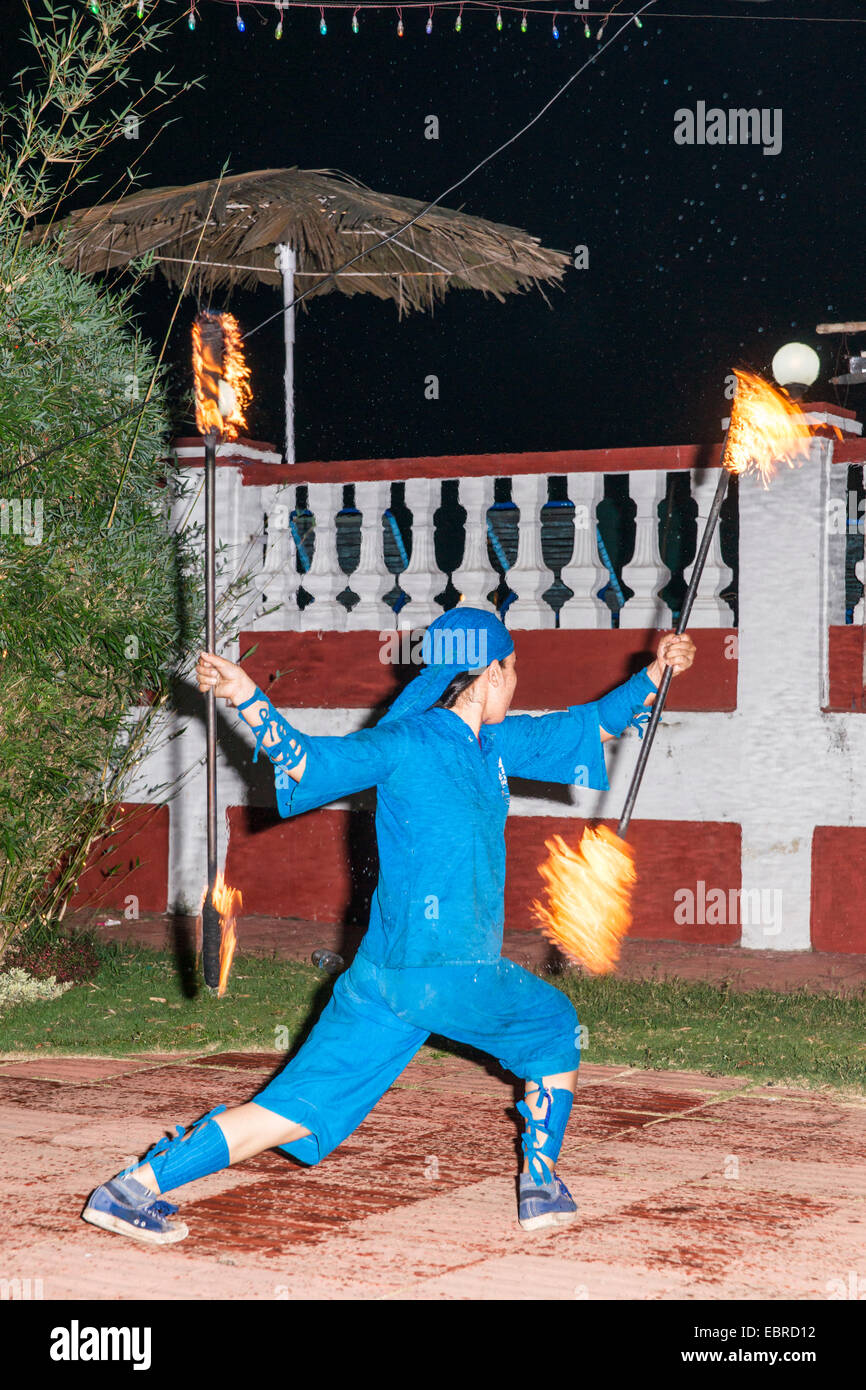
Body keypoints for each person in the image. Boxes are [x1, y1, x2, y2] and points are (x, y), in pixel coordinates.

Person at [82, 606, 695, 1243]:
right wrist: (246, 696)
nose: (516, 685)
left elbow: (592, 726)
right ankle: (539, 1186)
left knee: (290, 1110)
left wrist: (657, 670)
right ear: (487, 673)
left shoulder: (491, 742)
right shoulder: (407, 741)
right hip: (447, 969)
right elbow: (309, 764)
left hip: (379, 981)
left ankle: (133, 1188)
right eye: (512, 672)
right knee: (553, 1027)